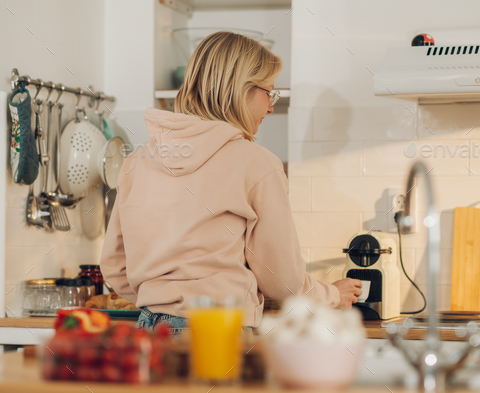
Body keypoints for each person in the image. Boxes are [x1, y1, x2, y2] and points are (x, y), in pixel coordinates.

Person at [100, 31, 362, 335]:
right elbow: (282, 280)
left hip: (150, 332)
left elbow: (115, 268)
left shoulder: (139, 160)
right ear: (242, 90)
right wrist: (331, 294)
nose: (271, 106)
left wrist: (164, 302)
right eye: (269, 92)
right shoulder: (256, 163)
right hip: (219, 332)